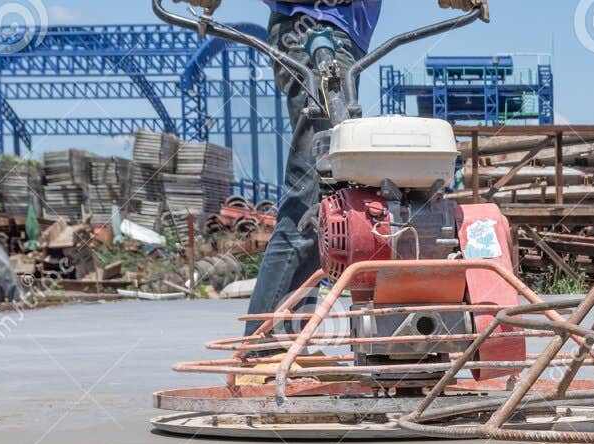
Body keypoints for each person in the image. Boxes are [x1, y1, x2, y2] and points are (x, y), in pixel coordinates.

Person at [187, 1, 484, 327]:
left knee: (330, 196)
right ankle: (264, 345)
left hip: (341, 37)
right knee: (315, 192)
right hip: (311, 29)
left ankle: (288, 335)